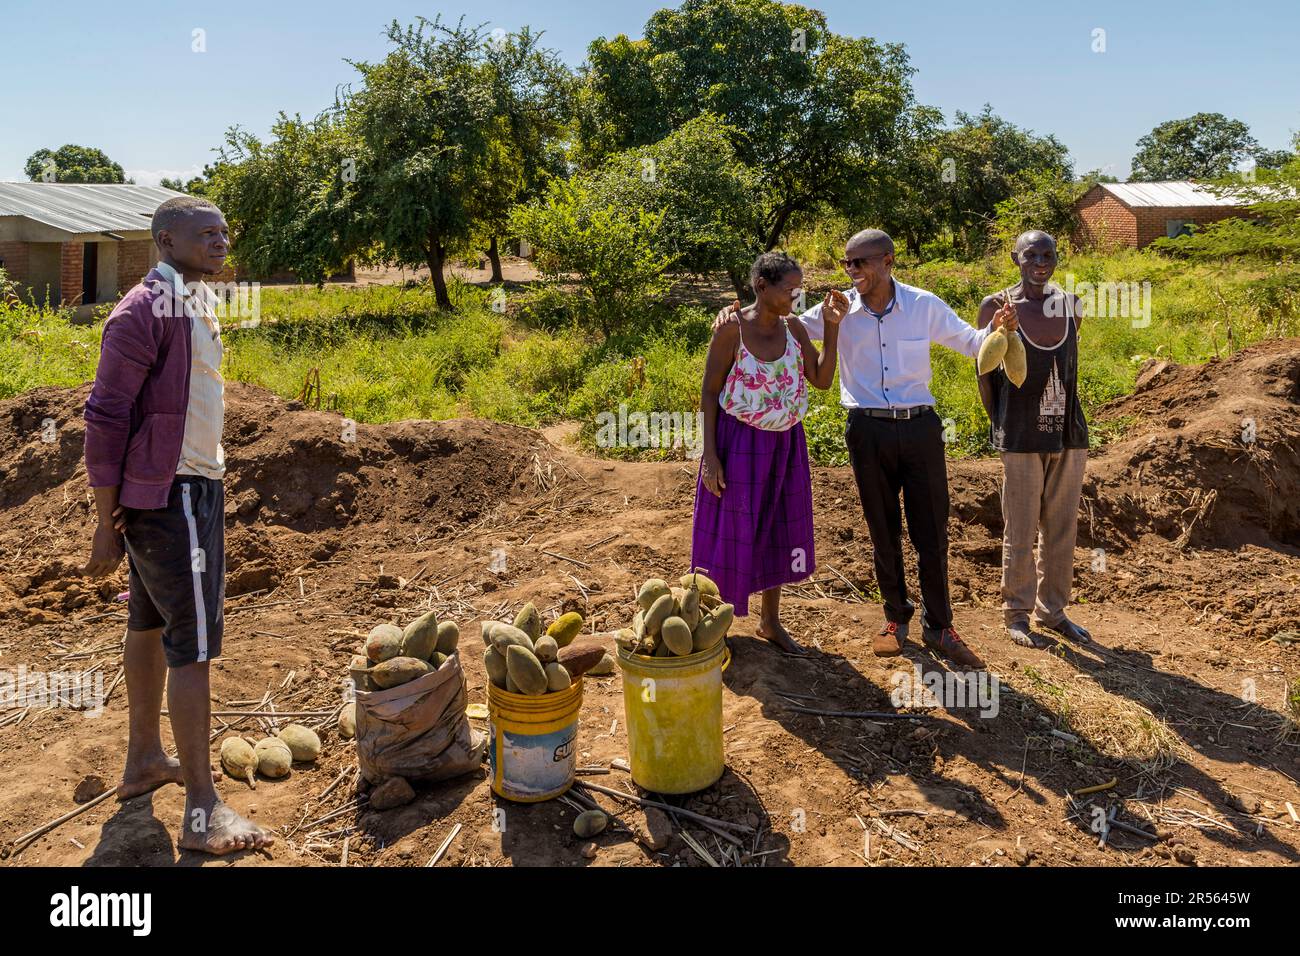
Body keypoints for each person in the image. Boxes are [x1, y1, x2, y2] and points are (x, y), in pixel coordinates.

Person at [717, 230, 1018, 669]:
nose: (852, 271)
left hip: (920, 430)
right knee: (882, 530)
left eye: (860, 262)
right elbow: (778, 316)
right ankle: (895, 619)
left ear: (888, 261)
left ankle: (941, 627)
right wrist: (730, 314)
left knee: (931, 533)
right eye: (847, 264)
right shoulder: (838, 310)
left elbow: (973, 345)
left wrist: (997, 329)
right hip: (867, 430)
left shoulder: (923, 305)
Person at [82, 196, 273, 855]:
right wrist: (103, 524)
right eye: (205, 234)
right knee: (192, 644)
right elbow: (105, 415)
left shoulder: (193, 299)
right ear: (165, 240)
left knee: (150, 621)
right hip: (173, 497)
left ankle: (143, 761)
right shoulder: (141, 310)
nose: (221, 242)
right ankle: (201, 808)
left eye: (225, 231)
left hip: (192, 486)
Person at [693, 251, 849, 654]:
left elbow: (822, 380)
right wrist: (710, 455)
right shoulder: (732, 330)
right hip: (738, 442)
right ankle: (718, 626)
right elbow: (710, 392)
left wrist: (832, 329)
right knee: (734, 528)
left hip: (786, 443)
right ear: (761, 286)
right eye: (789, 288)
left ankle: (770, 621)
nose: (796, 296)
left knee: (780, 525)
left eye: (799, 289)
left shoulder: (794, 328)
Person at [976, 230, 1092, 648]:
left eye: (1048, 254)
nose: (1040, 262)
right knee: (1021, 528)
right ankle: (1017, 613)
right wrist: (1002, 424)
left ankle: (1054, 612)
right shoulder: (996, 308)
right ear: (1015, 258)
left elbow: (1069, 365)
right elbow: (985, 374)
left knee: (1061, 528)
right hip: (1021, 436)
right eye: (1031, 255)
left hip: (1068, 434)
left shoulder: (1071, 305)